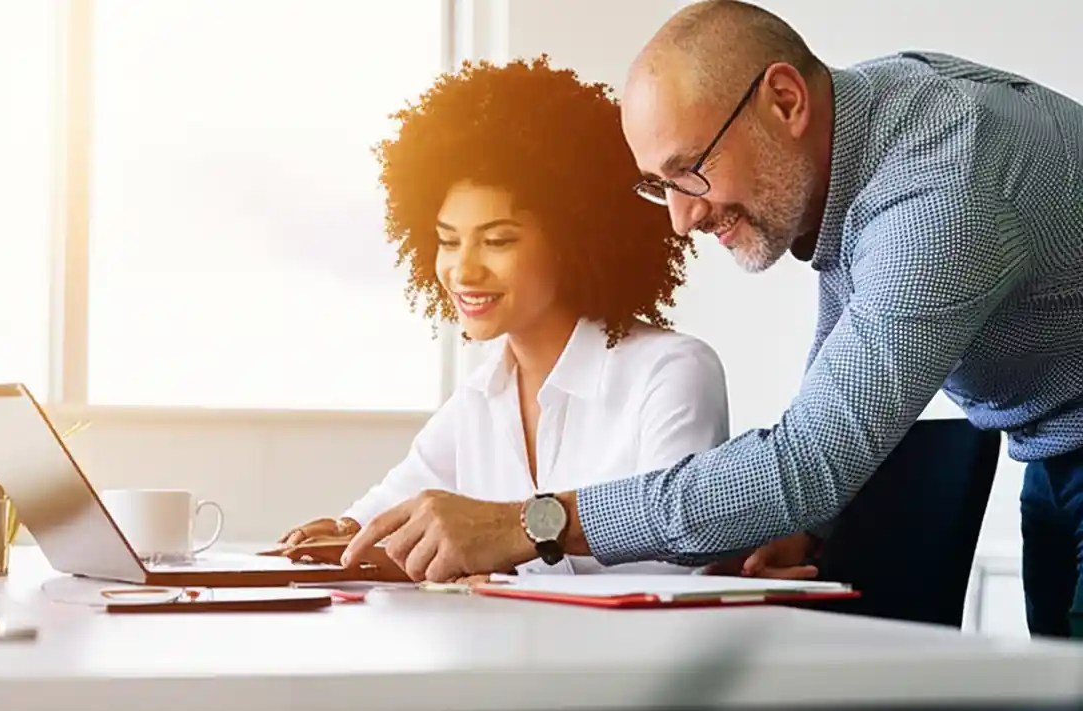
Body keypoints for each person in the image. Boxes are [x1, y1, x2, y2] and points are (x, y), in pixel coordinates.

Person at [342, 0, 1083, 638]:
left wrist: (525, 524)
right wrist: (805, 518)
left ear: (785, 101)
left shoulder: (941, 189)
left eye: (691, 170)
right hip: (1052, 452)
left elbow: (807, 462)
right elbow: (829, 411)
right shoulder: (871, 132)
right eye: (658, 186)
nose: (680, 219)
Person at [279, 56, 811, 582]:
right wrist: (342, 531)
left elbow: (673, 551)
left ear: (574, 243)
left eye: (498, 240)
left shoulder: (669, 372)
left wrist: (506, 541)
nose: (463, 269)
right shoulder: (482, 395)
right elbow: (390, 512)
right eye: (447, 241)